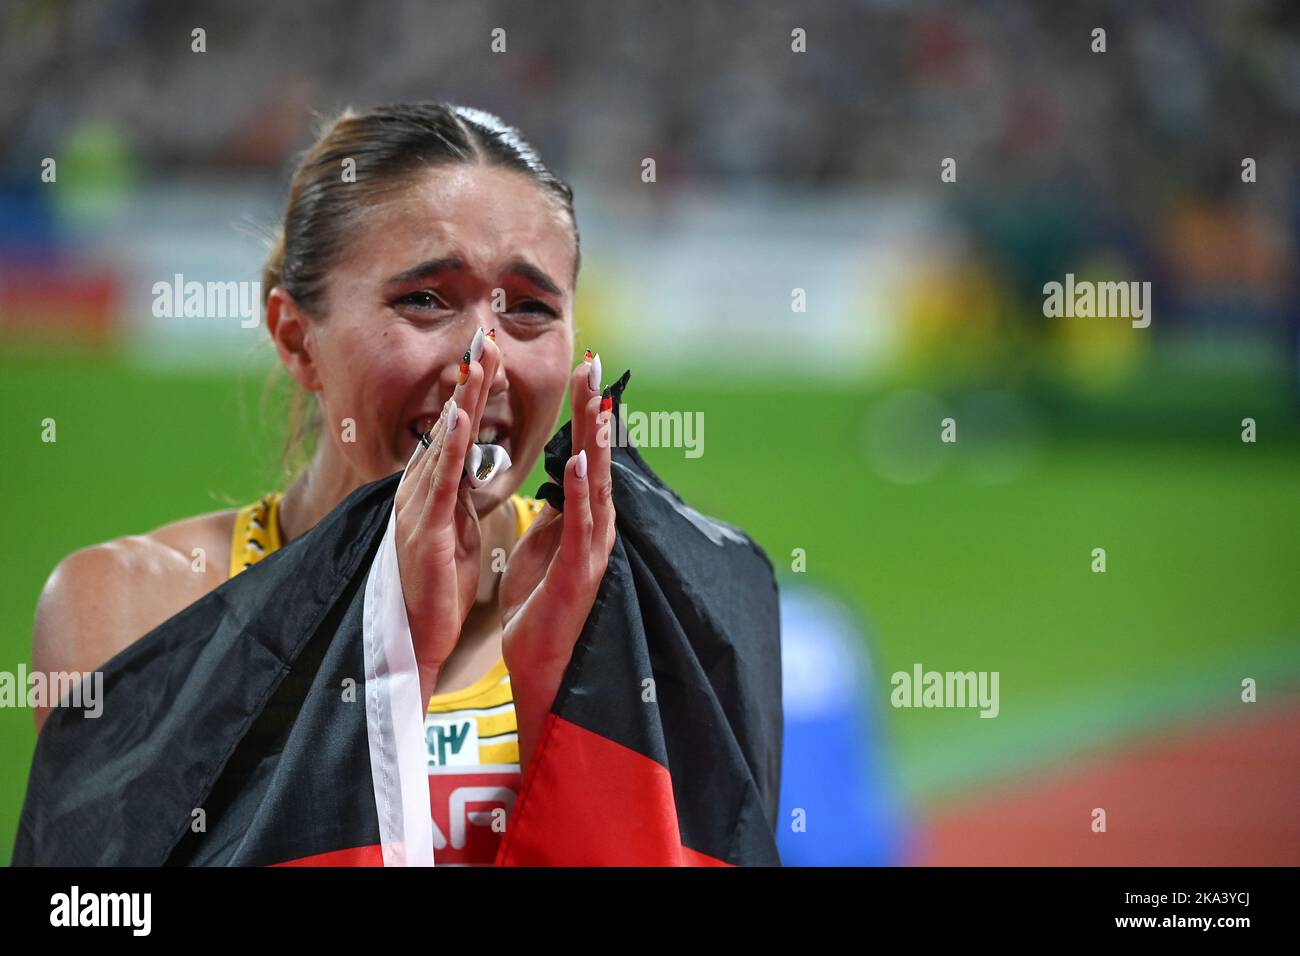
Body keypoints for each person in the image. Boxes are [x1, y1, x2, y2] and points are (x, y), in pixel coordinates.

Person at [30, 102, 617, 866]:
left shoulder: (629, 608)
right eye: (425, 300)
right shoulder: (135, 608)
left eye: (531, 308)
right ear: (294, 338)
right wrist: (388, 655)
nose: (488, 357)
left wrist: (556, 700)